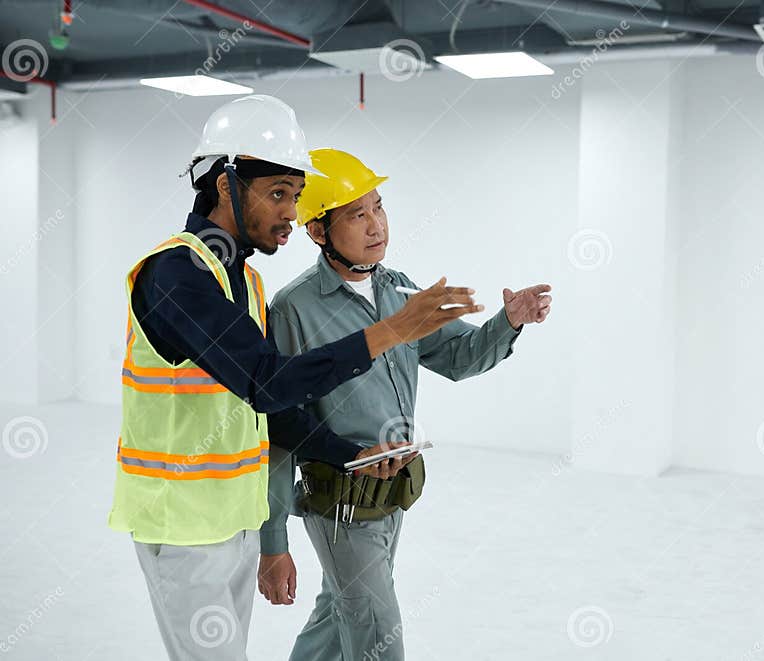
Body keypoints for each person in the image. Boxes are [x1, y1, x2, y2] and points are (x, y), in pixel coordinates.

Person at [108, 96, 483, 661]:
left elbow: (271, 410)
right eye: (278, 193)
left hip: (232, 514)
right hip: (181, 522)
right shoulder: (175, 277)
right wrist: (392, 331)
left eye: (295, 196)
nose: (290, 212)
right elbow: (266, 380)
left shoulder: (244, 281)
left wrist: (347, 453)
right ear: (224, 184)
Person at [257, 148, 552, 660]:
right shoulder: (292, 308)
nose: (376, 225)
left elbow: (458, 357)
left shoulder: (398, 293)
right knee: (376, 632)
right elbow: (279, 424)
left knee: (338, 614)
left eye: (378, 207)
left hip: (392, 495)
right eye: (357, 214)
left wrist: (508, 321)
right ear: (318, 231)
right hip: (340, 503)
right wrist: (273, 538)